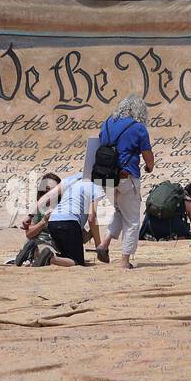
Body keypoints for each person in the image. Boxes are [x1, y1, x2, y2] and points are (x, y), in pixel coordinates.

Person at [94, 95, 154, 269]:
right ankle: (124, 261)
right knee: (132, 220)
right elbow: (147, 156)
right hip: (126, 177)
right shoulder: (138, 128)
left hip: (105, 178)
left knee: (120, 211)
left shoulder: (106, 124)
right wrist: (150, 167)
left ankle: (104, 244)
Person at [40, 172, 102, 263]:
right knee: (77, 262)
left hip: (53, 221)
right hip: (70, 222)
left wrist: (92, 233)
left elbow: (82, 237)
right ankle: (50, 258)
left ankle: (38, 253)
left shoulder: (73, 179)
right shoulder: (95, 185)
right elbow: (91, 218)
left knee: (66, 256)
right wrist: (99, 247)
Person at [8, 173, 63, 267]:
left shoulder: (63, 207)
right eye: (46, 191)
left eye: (53, 191)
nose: (49, 194)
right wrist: (43, 222)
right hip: (41, 242)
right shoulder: (40, 208)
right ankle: (32, 254)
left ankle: (29, 255)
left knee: (43, 250)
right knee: (46, 251)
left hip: (48, 244)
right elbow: (29, 234)